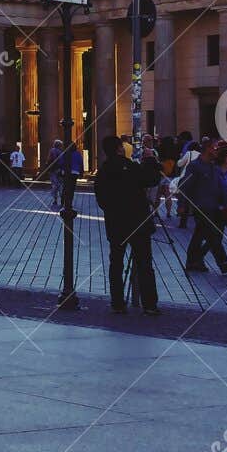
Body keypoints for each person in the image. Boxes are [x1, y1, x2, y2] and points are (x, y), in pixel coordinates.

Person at [96, 134, 160, 316]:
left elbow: (102, 200)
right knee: (144, 264)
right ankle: (150, 304)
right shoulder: (132, 167)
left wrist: (114, 210)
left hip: (116, 224)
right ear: (119, 149)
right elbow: (152, 179)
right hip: (138, 223)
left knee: (116, 263)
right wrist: (150, 160)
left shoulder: (103, 171)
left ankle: (117, 302)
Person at [179, 140, 227, 274]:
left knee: (201, 234)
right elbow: (185, 185)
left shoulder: (214, 167)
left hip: (214, 206)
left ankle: (193, 260)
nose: (216, 151)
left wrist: (225, 204)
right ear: (207, 149)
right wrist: (182, 204)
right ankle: (222, 262)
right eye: (214, 148)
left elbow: (221, 186)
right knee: (212, 234)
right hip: (201, 206)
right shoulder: (195, 166)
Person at [42, 138, 68, 209]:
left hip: (53, 170)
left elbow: (49, 160)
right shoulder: (61, 152)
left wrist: (47, 167)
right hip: (59, 170)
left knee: (54, 185)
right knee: (60, 185)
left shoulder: (52, 150)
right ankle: (62, 200)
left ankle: (55, 200)